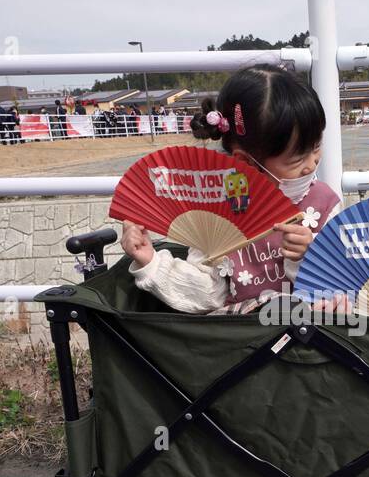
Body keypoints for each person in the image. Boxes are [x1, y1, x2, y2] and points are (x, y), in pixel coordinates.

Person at [119, 64, 340, 314]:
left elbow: (346, 287)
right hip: (246, 341)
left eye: (317, 146)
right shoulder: (218, 213)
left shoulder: (324, 205)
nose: (312, 164)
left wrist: (307, 258)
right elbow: (207, 294)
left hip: (312, 341)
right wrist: (151, 262)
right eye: (297, 159)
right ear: (246, 162)